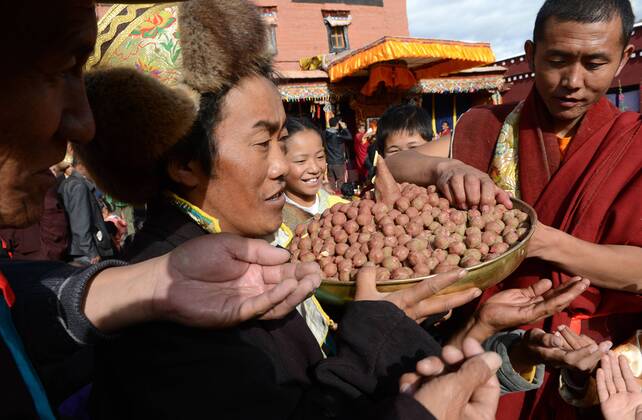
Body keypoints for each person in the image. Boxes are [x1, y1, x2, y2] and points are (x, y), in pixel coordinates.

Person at [0, 1, 324, 417]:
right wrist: (377, 337)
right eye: (263, 144)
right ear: (184, 164)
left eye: (282, 140)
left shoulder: (187, 277)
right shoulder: (173, 333)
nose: (82, 124)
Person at [386, 0, 642, 418]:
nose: (572, 81)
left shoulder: (634, 143)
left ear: (622, 60)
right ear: (530, 53)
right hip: (487, 341)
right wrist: (445, 168)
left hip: (594, 358)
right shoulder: (487, 126)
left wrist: (541, 242)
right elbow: (394, 165)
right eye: (557, 60)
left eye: (595, 63)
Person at [281, 116, 348, 232]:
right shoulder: (271, 224)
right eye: (301, 161)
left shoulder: (342, 208)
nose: (315, 168)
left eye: (320, 157)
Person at [58, 161, 114, 265]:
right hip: (85, 254)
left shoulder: (70, 184)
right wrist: (91, 252)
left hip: (81, 250)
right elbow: (80, 224)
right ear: (81, 165)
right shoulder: (79, 186)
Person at [324, 116, 351, 191]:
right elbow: (349, 137)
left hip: (330, 162)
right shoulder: (337, 136)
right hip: (338, 162)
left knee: (331, 181)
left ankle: (332, 199)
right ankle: (339, 199)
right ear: (337, 124)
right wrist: (345, 128)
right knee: (340, 182)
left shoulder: (325, 134)